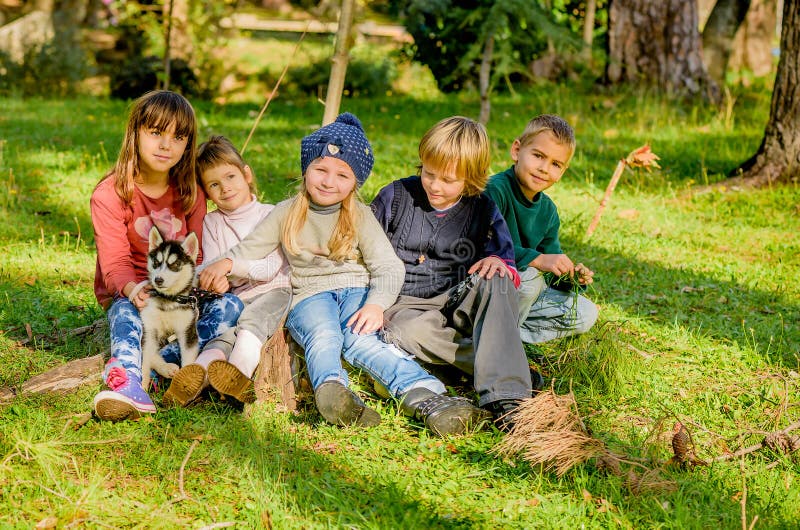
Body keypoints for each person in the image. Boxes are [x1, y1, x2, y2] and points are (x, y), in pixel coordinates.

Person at [200, 113, 486, 436]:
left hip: (356, 291)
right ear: (306, 169)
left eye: (342, 175)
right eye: (320, 170)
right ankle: (333, 391)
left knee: (360, 341)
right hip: (308, 295)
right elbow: (250, 247)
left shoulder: (360, 215)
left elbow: (388, 266)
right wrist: (224, 264)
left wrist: (376, 304)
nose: (328, 182)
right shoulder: (286, 212)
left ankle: (426, 395)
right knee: (323, 334)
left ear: (355, 182)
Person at [371, 116, 535, 432]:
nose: (435, 185)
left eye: (448, 180)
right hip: (409, 305)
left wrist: (499, 265)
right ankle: (507, 366)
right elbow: (366, 248)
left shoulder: (483, 208)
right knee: (404, 333)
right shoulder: (396, 196)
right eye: (429, 174)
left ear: (470, 178)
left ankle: (509, 399)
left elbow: (505, 257)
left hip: (459, 301)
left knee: (497, 278)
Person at [90, 91, 243, 422]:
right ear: (135, 134)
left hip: (180, 293)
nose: (166, 145)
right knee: (126, 315)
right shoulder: (110, 194)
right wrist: (132, 290)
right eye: (156, 133)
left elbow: (197, 253)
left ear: (188, 144)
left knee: (231, 306)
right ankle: (129, 382)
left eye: (178, 136)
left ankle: (162, 370)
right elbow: (113, 265)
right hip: (133, 293)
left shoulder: (189, 192)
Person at [163, 135, 292, 407]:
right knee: (222, 337)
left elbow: (269, 268)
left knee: (250, 326)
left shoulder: (270, 214)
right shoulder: (212, 223)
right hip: (238, 299)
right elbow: (211, 265)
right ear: (206, 192)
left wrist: (230, 268)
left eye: (231, 177)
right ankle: (195, 378)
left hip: (275, 292)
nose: (225, 188)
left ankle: (239, 378)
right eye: (214, 184)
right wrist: (215, 282)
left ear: (247, 175)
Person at [485, 114, 598, 345]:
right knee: (529, 279)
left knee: (585, 313)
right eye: (538, 156)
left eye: (555, 164)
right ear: (517, 150)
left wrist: (571, 277)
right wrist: (537, 259)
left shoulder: (548, 211)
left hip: (521, 296)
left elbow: (550, 262)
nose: (544, 169)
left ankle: (506, 337)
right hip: (487, 286)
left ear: (562, 171)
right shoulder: (494, 191)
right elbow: (482, 245)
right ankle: (496, 346)